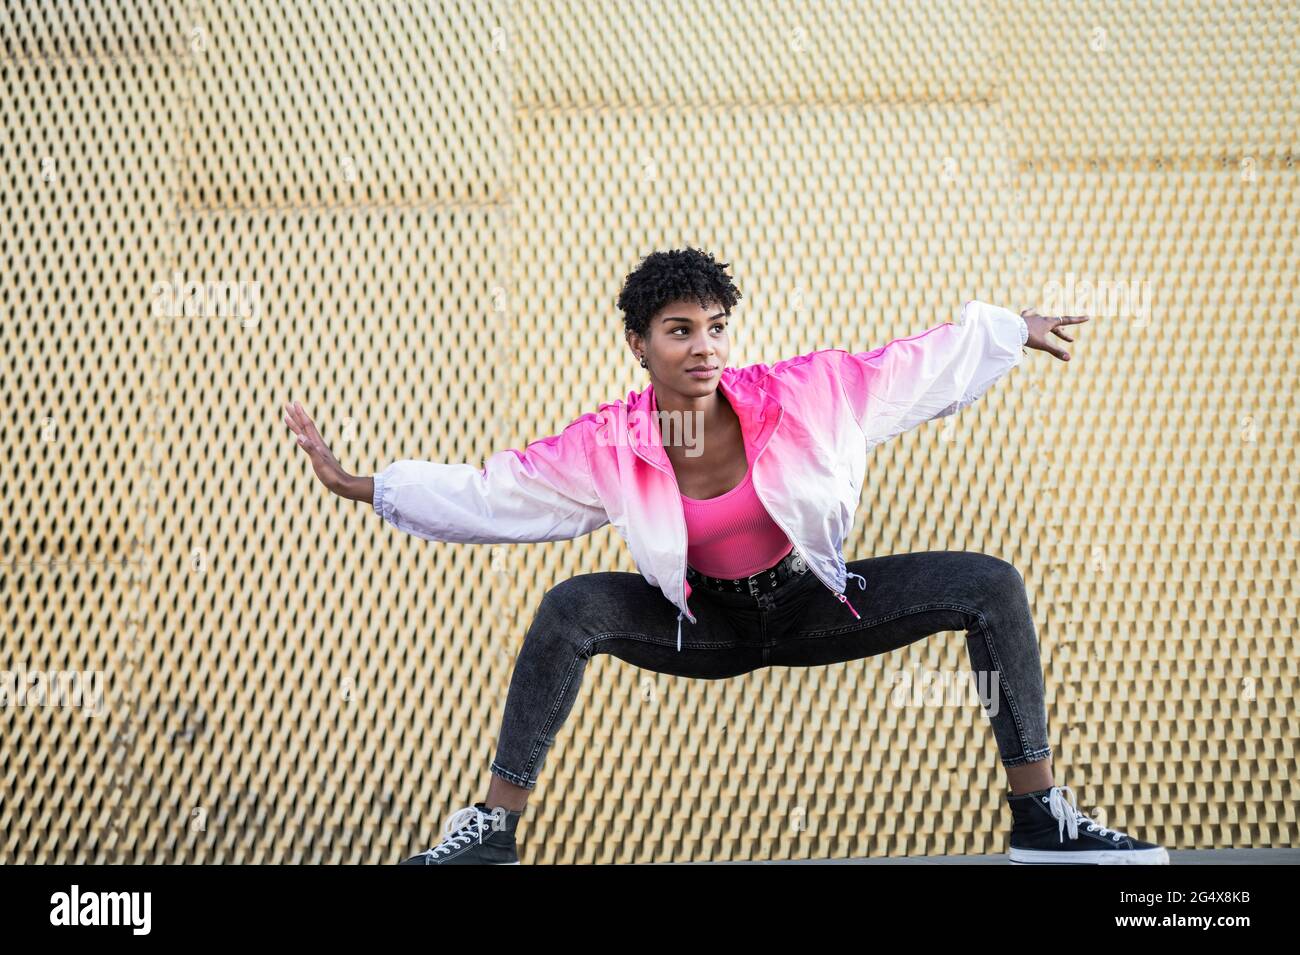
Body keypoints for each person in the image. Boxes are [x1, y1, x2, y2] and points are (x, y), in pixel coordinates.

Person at [283, 247, 1168, 865]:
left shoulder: (804, 392)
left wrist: (1009, 328)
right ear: (639, 344)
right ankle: (493, 826)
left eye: (714, 326)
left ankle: (1041, 816)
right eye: (678, 330)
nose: (702, 345)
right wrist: (361, 483)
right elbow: (494, 493)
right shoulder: (612, 440)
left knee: (991, 585)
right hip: (702, 622)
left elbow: (911, 366)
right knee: (569, 606)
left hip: (816, 605)